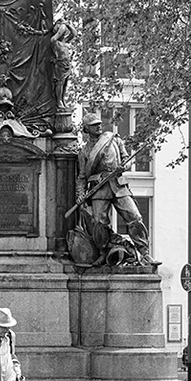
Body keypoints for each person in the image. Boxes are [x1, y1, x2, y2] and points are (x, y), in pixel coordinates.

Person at [77, 111, 160, 267]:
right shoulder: (84, 151)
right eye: (94, 125)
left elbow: (127, 160)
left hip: (119, 185)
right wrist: (80, 195)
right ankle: (103, 253)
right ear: (87, 129)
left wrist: (124, 167)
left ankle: (145, 254)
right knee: (99, 224)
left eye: (99, 124)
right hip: (99, 189)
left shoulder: (113, 140)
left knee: (134, 216)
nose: (99, 126)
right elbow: (82, 177)